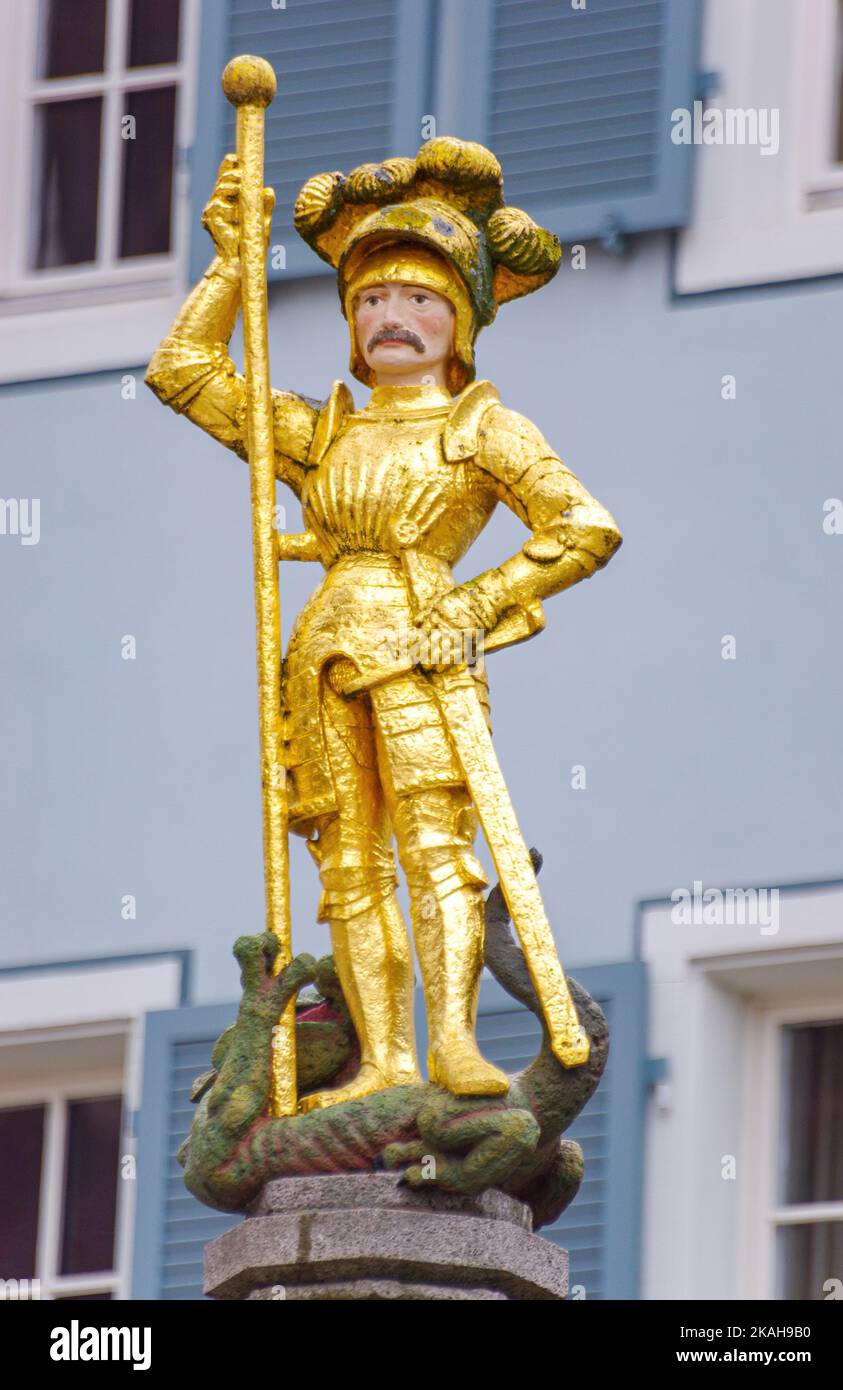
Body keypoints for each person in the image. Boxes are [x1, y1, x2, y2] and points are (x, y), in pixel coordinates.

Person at [146, 137, 621, 1111]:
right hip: (320, 657)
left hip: (425, 650)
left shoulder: (482, 425)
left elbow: (584, 525)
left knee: (436, 851)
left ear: (462, 321)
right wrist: (234, 263)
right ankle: (385, 1060)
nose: (390, 317)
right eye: (370, 300)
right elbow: (185, 372)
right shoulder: (323, 432)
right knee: (349, 867)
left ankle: (451, 1042)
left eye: (418, 300)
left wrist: (475, 604)